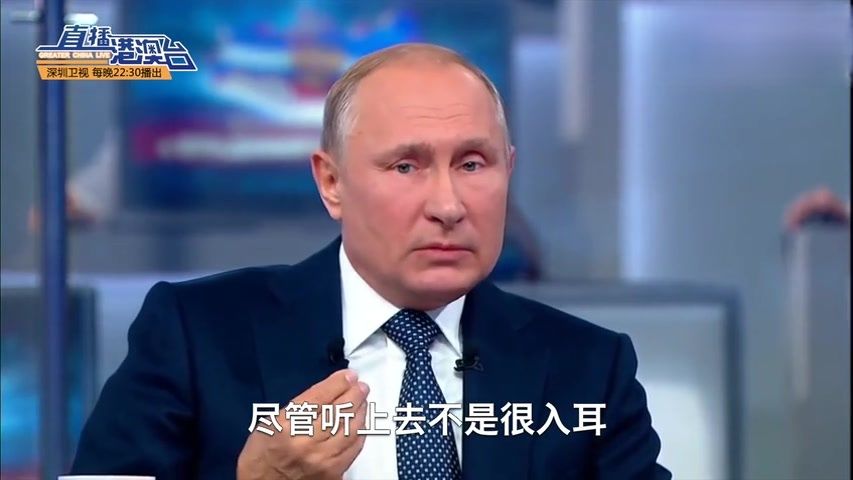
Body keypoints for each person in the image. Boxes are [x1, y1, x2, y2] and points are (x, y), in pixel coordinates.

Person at [70, 43, 670, 480]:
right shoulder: (196, 334)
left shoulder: (588, 367)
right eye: (406, 166)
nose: (448, 205)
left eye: (473, 164)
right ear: (331, 183)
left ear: (508, 169)